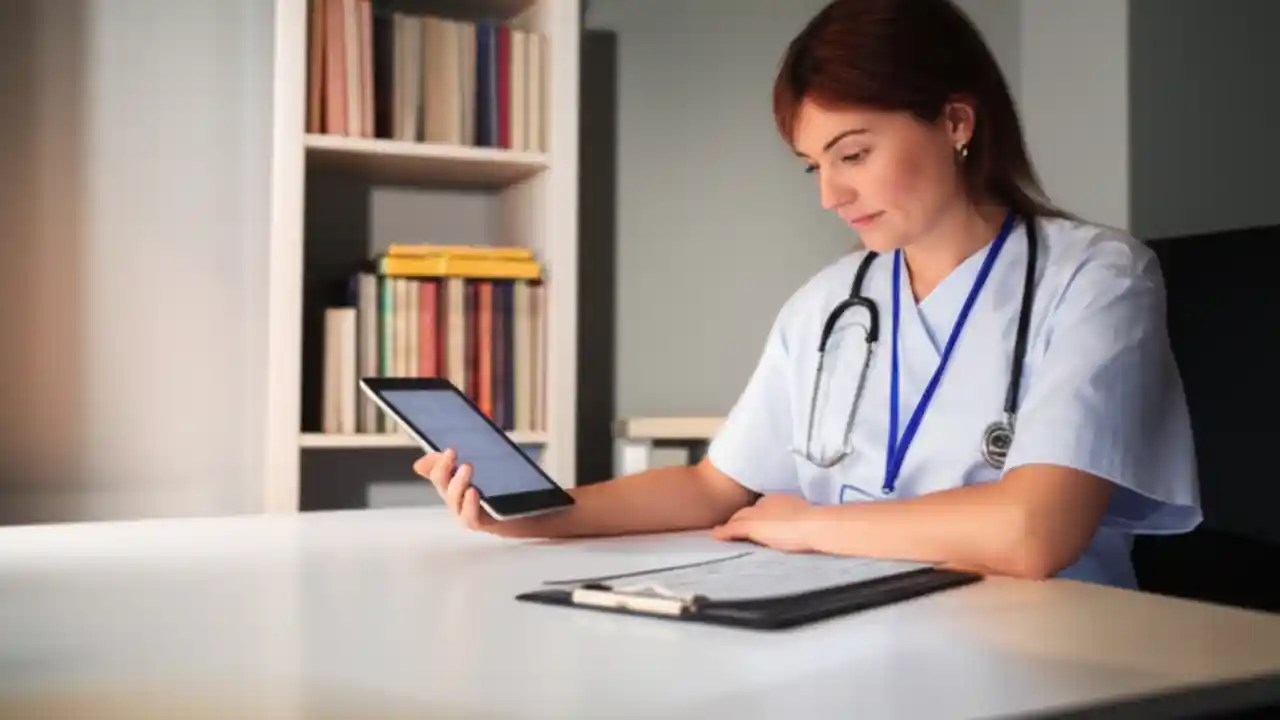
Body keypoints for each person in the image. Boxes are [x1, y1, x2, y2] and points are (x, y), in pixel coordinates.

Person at [413, 0, 1201, 588]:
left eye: (853, 153)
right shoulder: (830, 303)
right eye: (813, 166)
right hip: (856, 618)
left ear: (956, 121)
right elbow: (714, 485)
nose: (831, 195)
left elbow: (1032, 532)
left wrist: (812, 525)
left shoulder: (1094, 277)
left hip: (1052, 651)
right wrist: (536, 512)